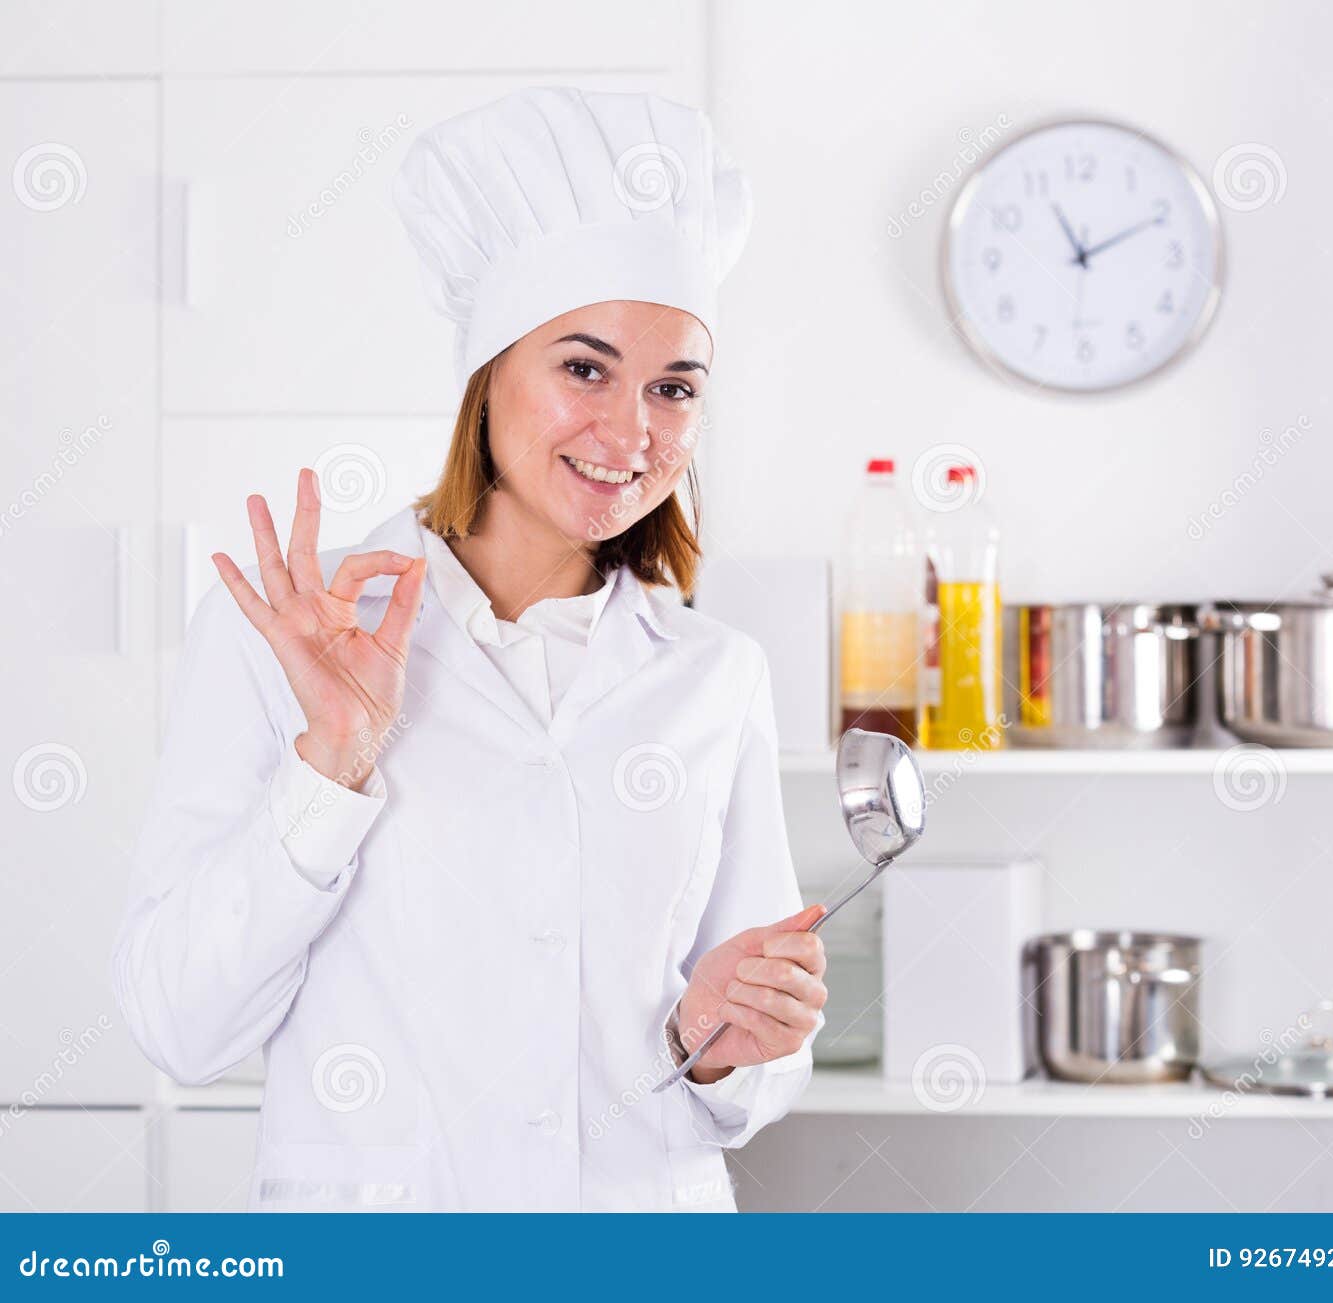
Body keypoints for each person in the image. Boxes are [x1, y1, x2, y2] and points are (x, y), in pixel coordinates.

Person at [111, 86, 826, 1213]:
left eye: (674, 388)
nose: (631, 431)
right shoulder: (291, 634)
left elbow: (751, 1051)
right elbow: (178, 1024)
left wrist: (723, 1045)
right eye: (584, 368)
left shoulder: (714, 676)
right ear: (487, 376)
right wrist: (331, 764)